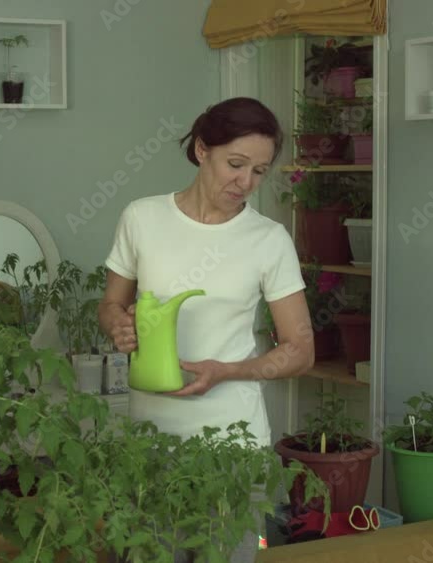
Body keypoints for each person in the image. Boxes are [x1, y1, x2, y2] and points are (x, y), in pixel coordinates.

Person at [97, 97, 314, 562]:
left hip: (233, 450)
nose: (245, 183)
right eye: (235, 164)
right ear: (202, 150)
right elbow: (111, 305)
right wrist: (118, 325)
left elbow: (299, 350)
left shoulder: (268, 240)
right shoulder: (142, 217)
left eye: (259, 171)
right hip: (148, 444)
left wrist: (225, 370)